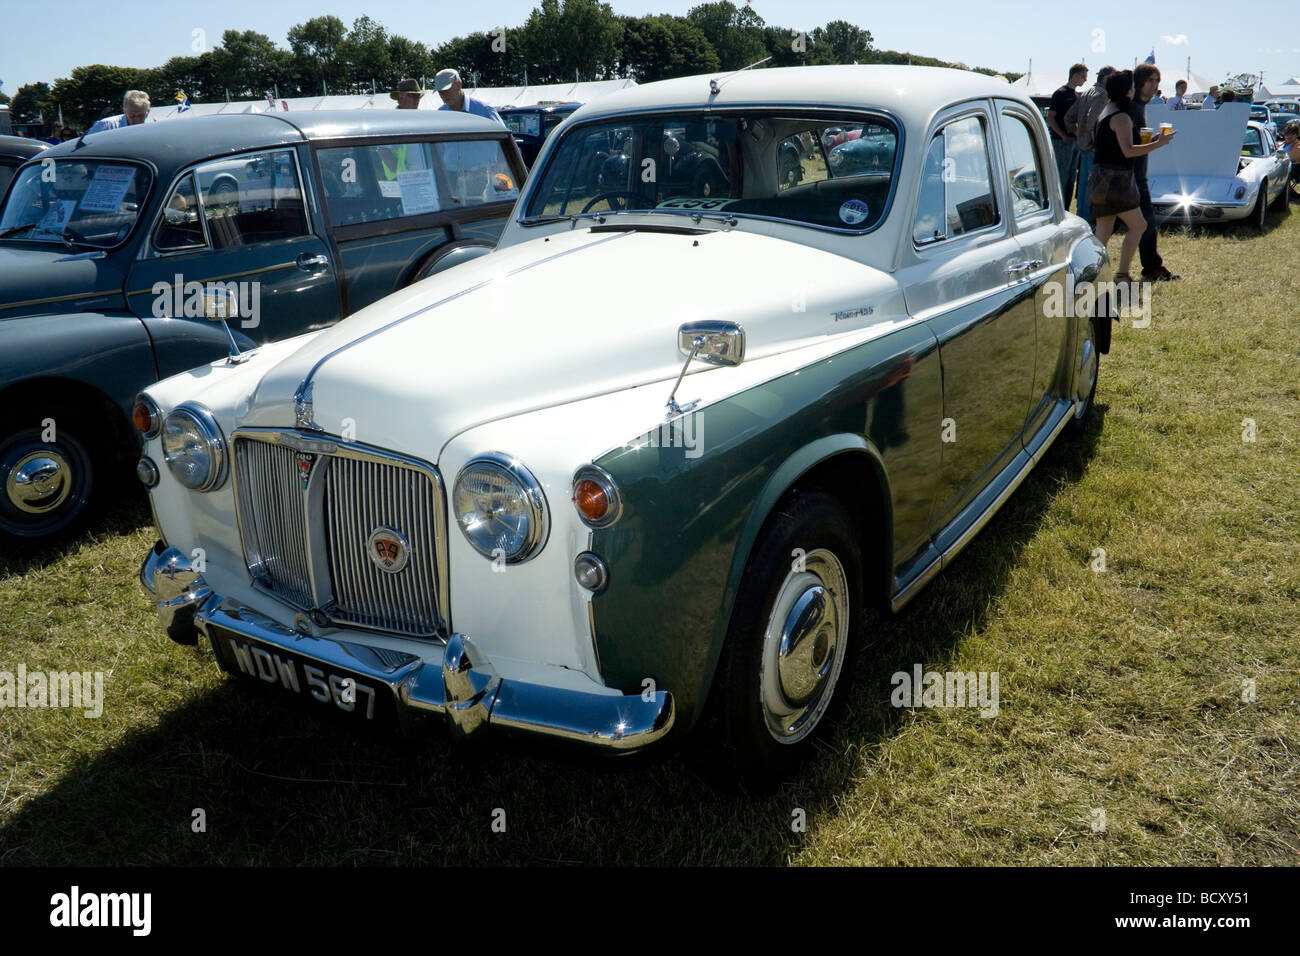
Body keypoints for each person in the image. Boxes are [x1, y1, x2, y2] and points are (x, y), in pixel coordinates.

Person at [1089, 70, 1175, 280]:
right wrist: (1159, 143)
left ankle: (1092, 275)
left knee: (1103, 232)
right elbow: (1128, 151)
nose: (1134, 89)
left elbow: (1116, 146)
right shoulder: (1122, 117)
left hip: (1100, 179)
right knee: (1139, 225)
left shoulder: (1107, 110)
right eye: (1132, 86)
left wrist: (1152, 140)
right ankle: (1122, 274)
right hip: (1117, 181)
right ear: (1127, 90)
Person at [1129, 63, 1178, 281]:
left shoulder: (1139, 106)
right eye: (1150, 80)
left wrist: (1155, 139)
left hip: (1136, 174)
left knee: (1137, 223)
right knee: (1142, 222)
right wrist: (1157, 143)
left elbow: (1136, 140)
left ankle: (1151, 266)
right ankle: (1151, 267)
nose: (1154, 85)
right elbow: (1127, 145)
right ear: (1138, 82)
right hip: (1128, 176)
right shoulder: (1132, 108)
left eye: (1157, 81)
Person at [1066, 65, 1116, 226]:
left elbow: (1069, 118)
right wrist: (1095, 142)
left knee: (1082, 184)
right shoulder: (1102, 94)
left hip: (1082, 145)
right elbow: (1091, 119)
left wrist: (1079, 135)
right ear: (1106, 78)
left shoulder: (1086, 92)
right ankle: (1087, 219)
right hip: (1092, 147)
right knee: (1091, 184)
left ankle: (1081, 216)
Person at [1048, 64, 1089, 209]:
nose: (1085, 80)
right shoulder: (1060, 93)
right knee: (1061, 178)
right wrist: (1062, 135)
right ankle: (1057, 209)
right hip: (1061, 142)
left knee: (1071, 179)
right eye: (1084, 76)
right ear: (1076, 75)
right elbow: (1050, 118)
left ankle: (1065, 209)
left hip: (1074, 142)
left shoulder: (1076, 95)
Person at [433, 69, 505, 127]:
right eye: (440, 91)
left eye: (447, 89)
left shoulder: (484, 109)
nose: (443, 94)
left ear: (459, 85)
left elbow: (504, 139)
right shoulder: (440, 115)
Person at [86, 90, 150, 133]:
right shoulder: (106, 126)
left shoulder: (152, 127)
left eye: (141, 116)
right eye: (132, 116)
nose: (137, 120)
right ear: (124, 111)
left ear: (148, 112)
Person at [1283, 120, 1300, 200]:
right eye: (1287, 133)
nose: (1289, 136)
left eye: (1292, 134)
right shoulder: (1282, 145)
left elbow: (1288, 157)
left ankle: (1293, 195)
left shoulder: (1298, 146)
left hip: (1294, 170)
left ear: (1297, 135)